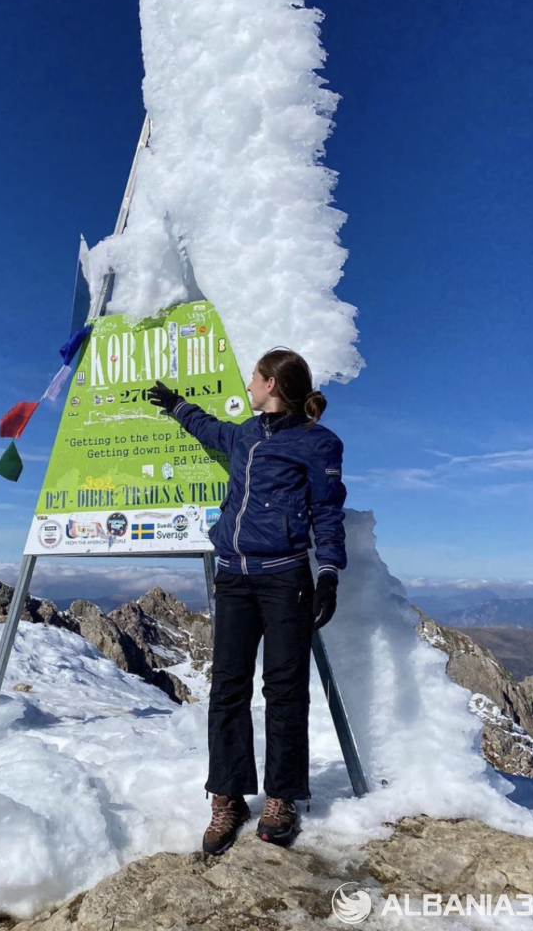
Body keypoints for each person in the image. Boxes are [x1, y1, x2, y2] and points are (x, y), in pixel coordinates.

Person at [147, 347, 346, 854]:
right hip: (233, 578)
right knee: (228, 688)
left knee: (284, 690)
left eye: (254, 378)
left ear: (273, 385)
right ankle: (228, 796)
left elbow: (327, 511)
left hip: (285, 579)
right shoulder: (244, 435)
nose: (248, 385)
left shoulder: (318, 444)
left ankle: (282, 798)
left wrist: (327, 572)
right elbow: (207, 428)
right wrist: (175, 405)